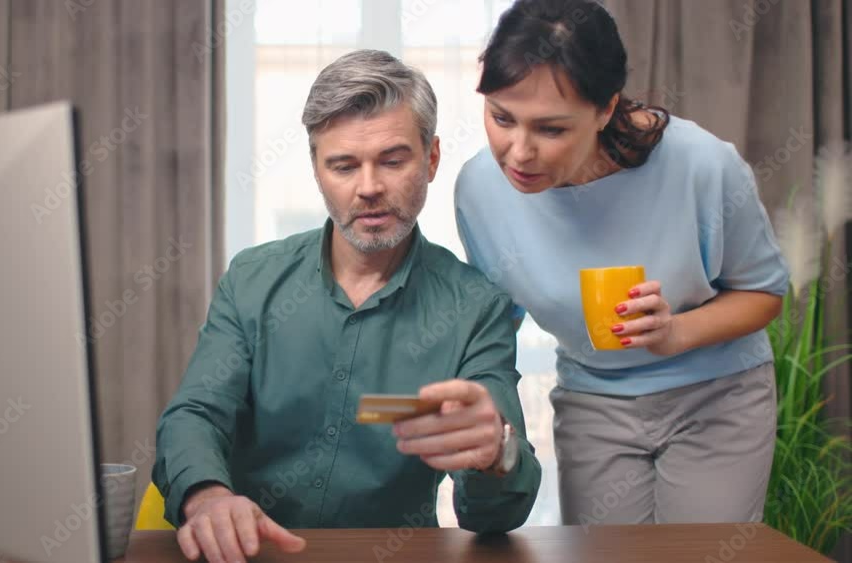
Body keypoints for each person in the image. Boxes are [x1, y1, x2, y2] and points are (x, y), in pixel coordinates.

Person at [154, 49, 542, 562]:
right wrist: (207, 498)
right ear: (316, 170)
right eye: (343, 165)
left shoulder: (476, 308)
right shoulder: (252, 280)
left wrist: (498, 451)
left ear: (430, 159)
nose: (369, 188)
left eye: (392, 160)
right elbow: (195, 415)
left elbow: (493, 517)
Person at [455, 0, 789, 527]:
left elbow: (764, 292)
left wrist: (673, 332)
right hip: (594, 399)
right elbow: (497, 318)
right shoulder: (478, 190)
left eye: (551, 129)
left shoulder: (702, 165)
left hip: (717, 399)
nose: (518, 153)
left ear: (606, 109)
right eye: (502, 118)